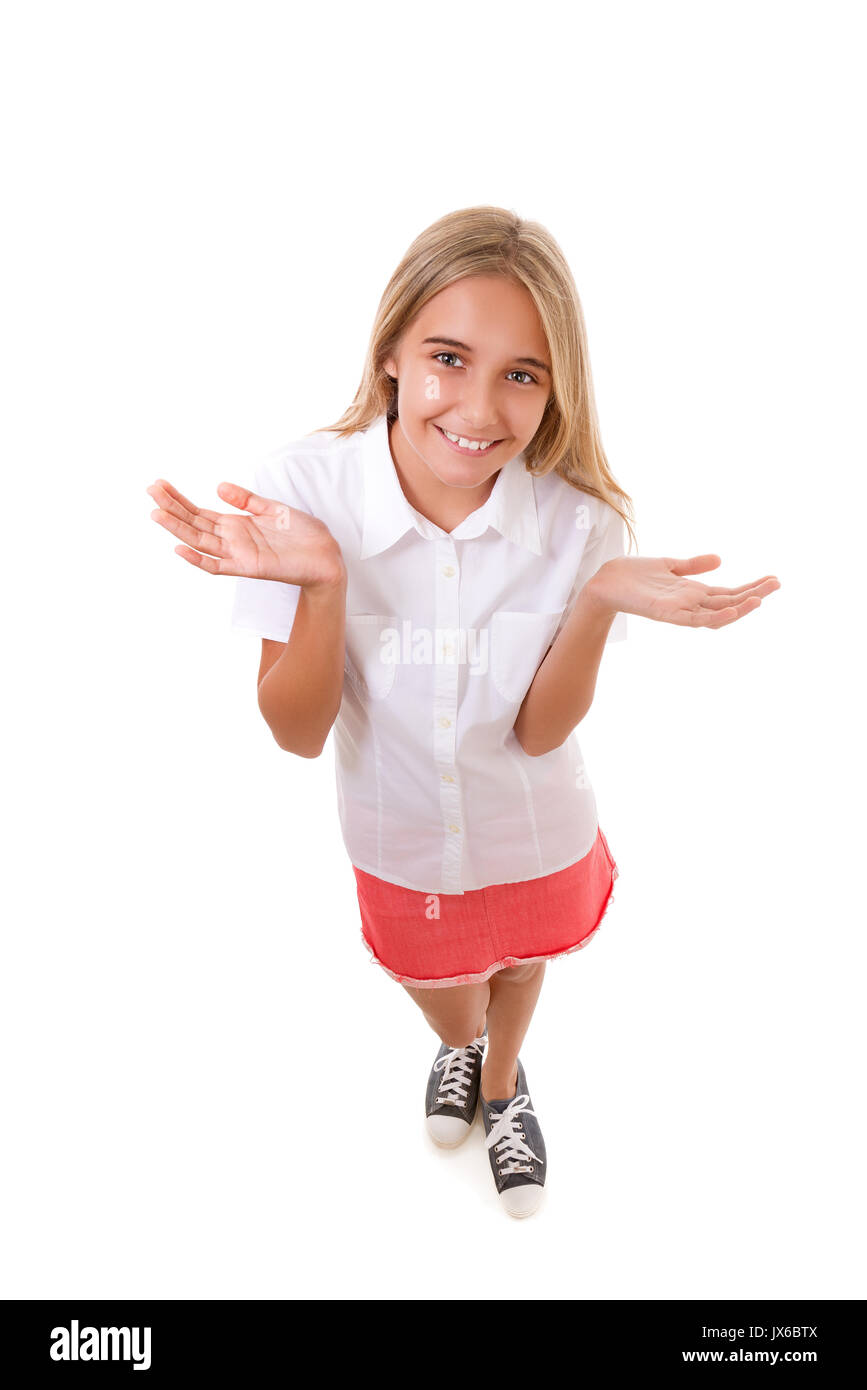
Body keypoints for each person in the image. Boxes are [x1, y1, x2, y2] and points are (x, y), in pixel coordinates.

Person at [147, 206, 781, 1219]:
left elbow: (539, 731)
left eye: (522, 374)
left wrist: (602, 595)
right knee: (450, 998)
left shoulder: (583, 521)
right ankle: (461, 1048)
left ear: (552, 387)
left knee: (524, 966)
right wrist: (322, 583)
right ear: (393, 350)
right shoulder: (303, 493)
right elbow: (295, 732)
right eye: (449, 356)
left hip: (536, 826)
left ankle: (500, 1084)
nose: (479, 409)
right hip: (399, 838)